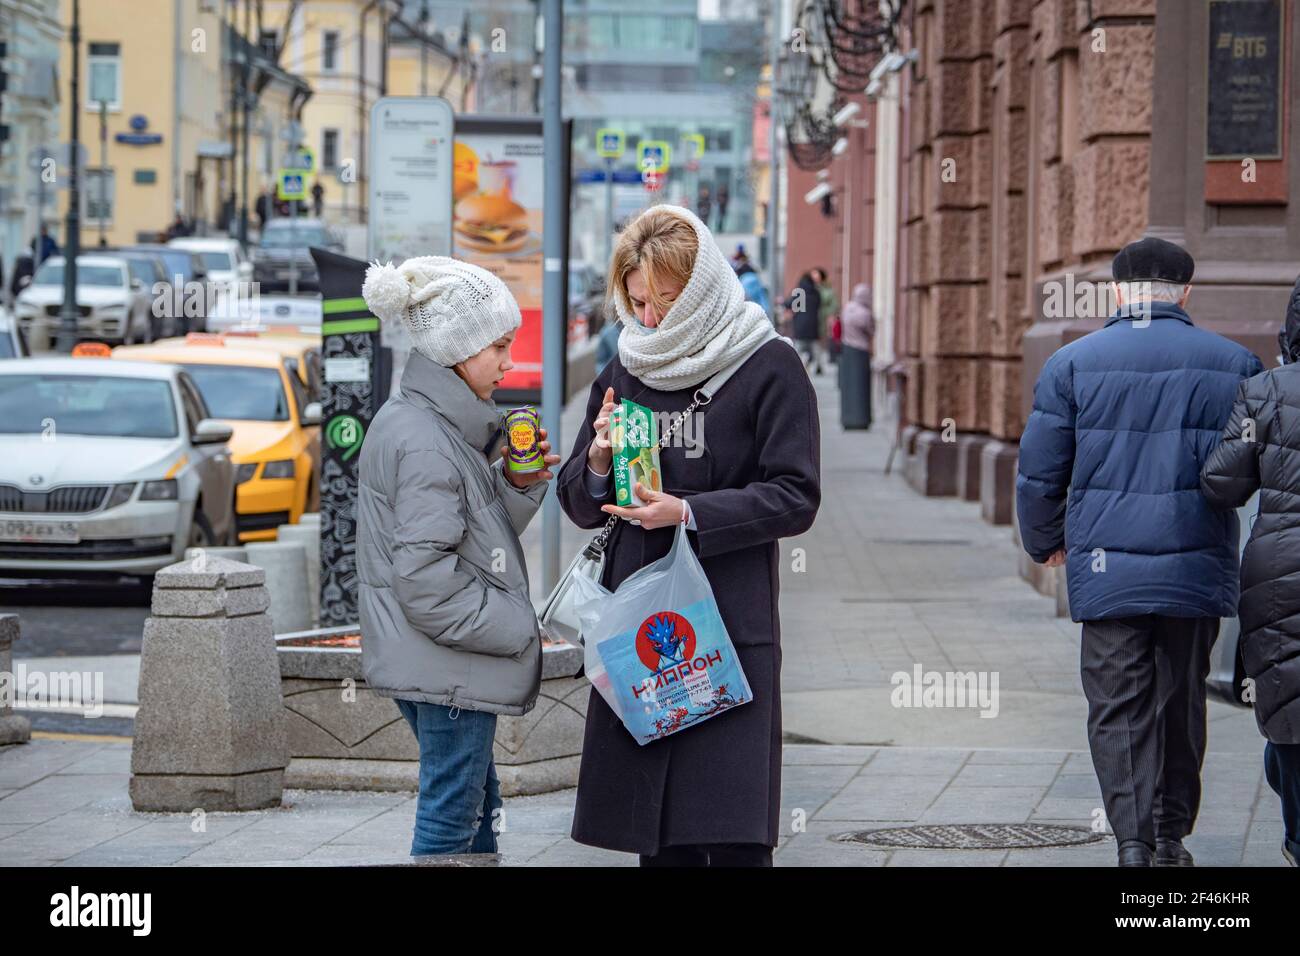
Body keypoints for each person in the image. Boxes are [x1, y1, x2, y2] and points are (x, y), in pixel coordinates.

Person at [556, 204, 821, 866]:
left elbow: (796, 495)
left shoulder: (768, 364)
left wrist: (689, 513)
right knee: (658, 835)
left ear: (702, 288)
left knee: (728, 832)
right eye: (638, 301)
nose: (650, 319)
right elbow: (580, 504)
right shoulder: (625, 368)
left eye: (667, 300)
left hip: (726, 625)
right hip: (640, 627)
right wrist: (596, 458)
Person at [1016, 236, 1264, 868]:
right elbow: (1247, 469)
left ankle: (1131, 841)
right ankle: (1171, 836)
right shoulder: (1235, 363)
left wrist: (1043, 539)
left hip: (1107, 567)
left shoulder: (1073, 363)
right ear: (1185, 292)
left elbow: (1041, 468)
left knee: (1117, 702)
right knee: (1180, 698)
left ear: (1119, 292)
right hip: (1194, 561)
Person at [355, 255, 561, 857]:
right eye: (498, 346)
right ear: (456, 349)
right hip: (449, 666)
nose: (509, 361)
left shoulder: (432, 424)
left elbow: (468, 538)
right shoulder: (426, 442)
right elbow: (425, 580)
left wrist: (515, 487)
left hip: (437, 659)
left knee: (477, 806)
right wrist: (518, 625)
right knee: (451, 813)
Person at [1200, 273, 1300, 868]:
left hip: (1281, 566)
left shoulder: (1264, 391)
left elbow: (1222, 480)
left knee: (1286, 698)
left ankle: (1296, 837)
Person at [839, 282, 874, 429]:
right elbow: (871, 331)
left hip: (847, 350)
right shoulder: (865, 313)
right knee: (861, 388)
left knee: (848, 388)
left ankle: (848, 418)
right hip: (861, 352)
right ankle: (860, 419)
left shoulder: (847, 309)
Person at [787, 269, 822, 375]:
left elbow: (789, 304)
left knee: (798, 348)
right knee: (814, 348)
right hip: (813, 325)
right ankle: (815, 366)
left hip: (800, 325)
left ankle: (797, 365)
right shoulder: (816, 293)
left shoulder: (799, 292)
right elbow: (818, 305)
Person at [813, 267, 838, 366]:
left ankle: (818, 363)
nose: (814, 277)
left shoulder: (828, 290)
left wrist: (828, 314)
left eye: (816, 275)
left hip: (822, 319)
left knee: (820, 341)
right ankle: (813, 361)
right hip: (811, 319)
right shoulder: (809, 288)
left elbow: (834, 305)